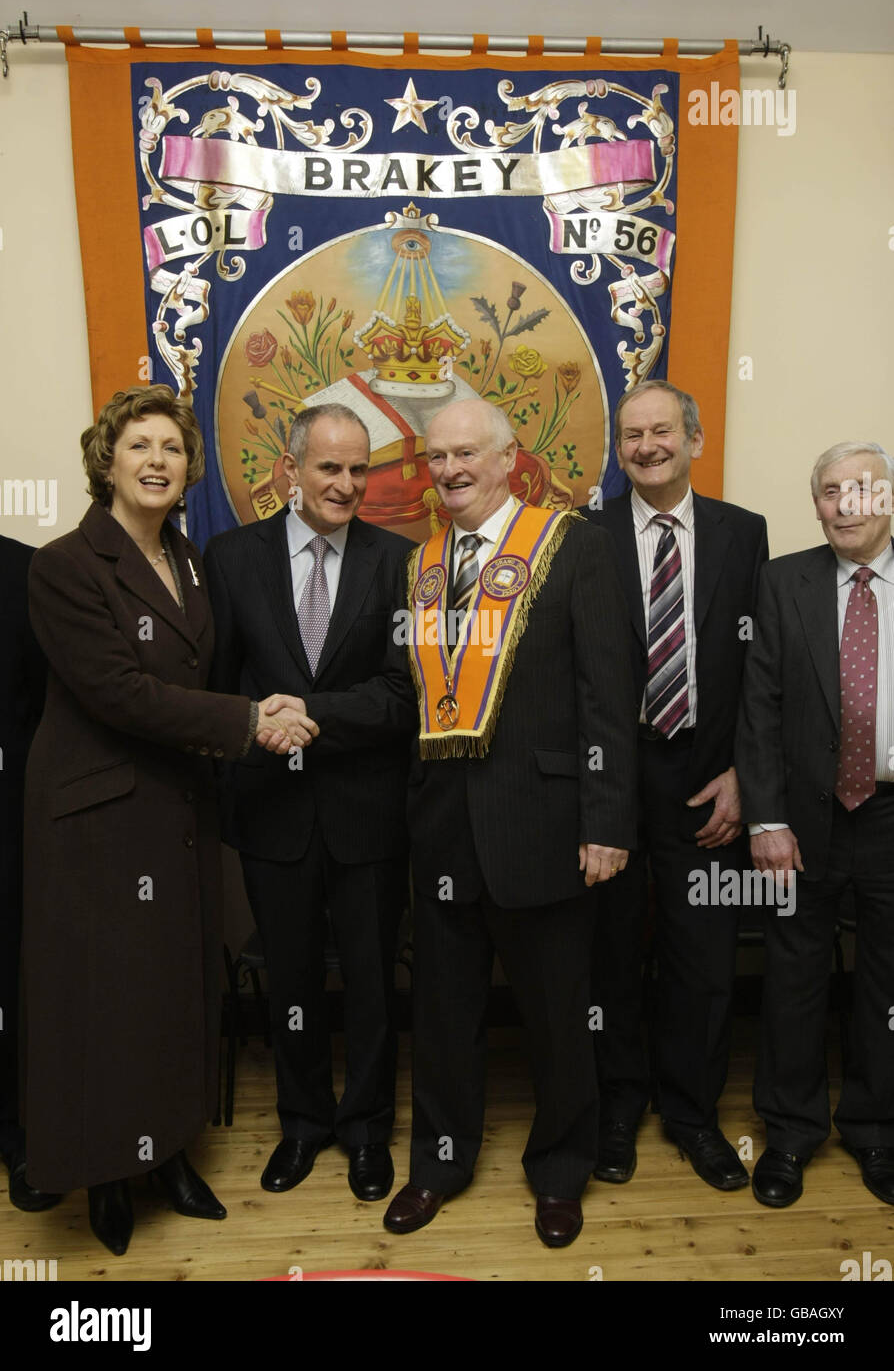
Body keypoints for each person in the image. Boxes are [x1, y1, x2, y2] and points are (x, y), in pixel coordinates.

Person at [22, 384, 315, 1256]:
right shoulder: (67, 566)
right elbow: (119, 693)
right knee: (104, 1001)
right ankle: (109, 1174)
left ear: (191, 469)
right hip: (98, 818)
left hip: (179, 808)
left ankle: (170, 1158)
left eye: (172, 449)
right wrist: (250, 720)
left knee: (177, 991)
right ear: (105, 460)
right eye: (139, 445)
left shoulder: (190, 560)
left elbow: (191, 677)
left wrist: (258, 714)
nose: (157, 462)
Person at [383, 397, 637, 1248]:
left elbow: (609, 698)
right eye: (436, 457)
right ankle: (439, 1166)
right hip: (442, 831)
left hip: (546, 824)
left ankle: (562, 1172)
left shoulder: (574, 547)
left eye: (465, 454)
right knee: (444, 1017)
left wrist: (607, 820)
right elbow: (411, 698)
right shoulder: (418, 567)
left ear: (506, 459)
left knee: (561, 1016)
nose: (449, 470)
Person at [205, 404, 415, 1204]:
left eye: (359, 469)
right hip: (272, 813)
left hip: (368, 812)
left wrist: (308, 716)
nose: (347, 485)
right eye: (329, 468)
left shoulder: (399, 561)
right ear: (291, 469)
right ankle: (302, 1124)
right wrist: (257, 736)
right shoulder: (229, 559)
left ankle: (366, 1132)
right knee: (289, 979)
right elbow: (219, 688)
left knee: (369, 980)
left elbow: (404, 694)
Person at [586, 381, 768, 1190]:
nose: (647, 446)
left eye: (661, 431)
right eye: (632, 436)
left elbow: (761, 671)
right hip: (613, 781)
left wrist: (745, 776)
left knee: (704, 962)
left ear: (693, 439)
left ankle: (693, 1116)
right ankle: (618, 1107)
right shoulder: (582, 537)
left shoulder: (743, 534)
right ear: (618, 448)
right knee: (611, 956)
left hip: (709, 781)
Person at [737, 441, 894, 1207]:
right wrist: (765, 818)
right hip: (802, 818)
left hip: (892, 816)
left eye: (860, 491)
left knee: (886, 983)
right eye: (831, 492)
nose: (845, 505)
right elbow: (758, 706)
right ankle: (792, 1134)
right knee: (794, 981)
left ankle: (876, 1130)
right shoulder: (783, 581)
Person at [0, 534, 58, 1212]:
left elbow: (53, 704)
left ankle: (17, 1133)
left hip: (12, 817)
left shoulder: (27, 569)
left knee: (12, 975)